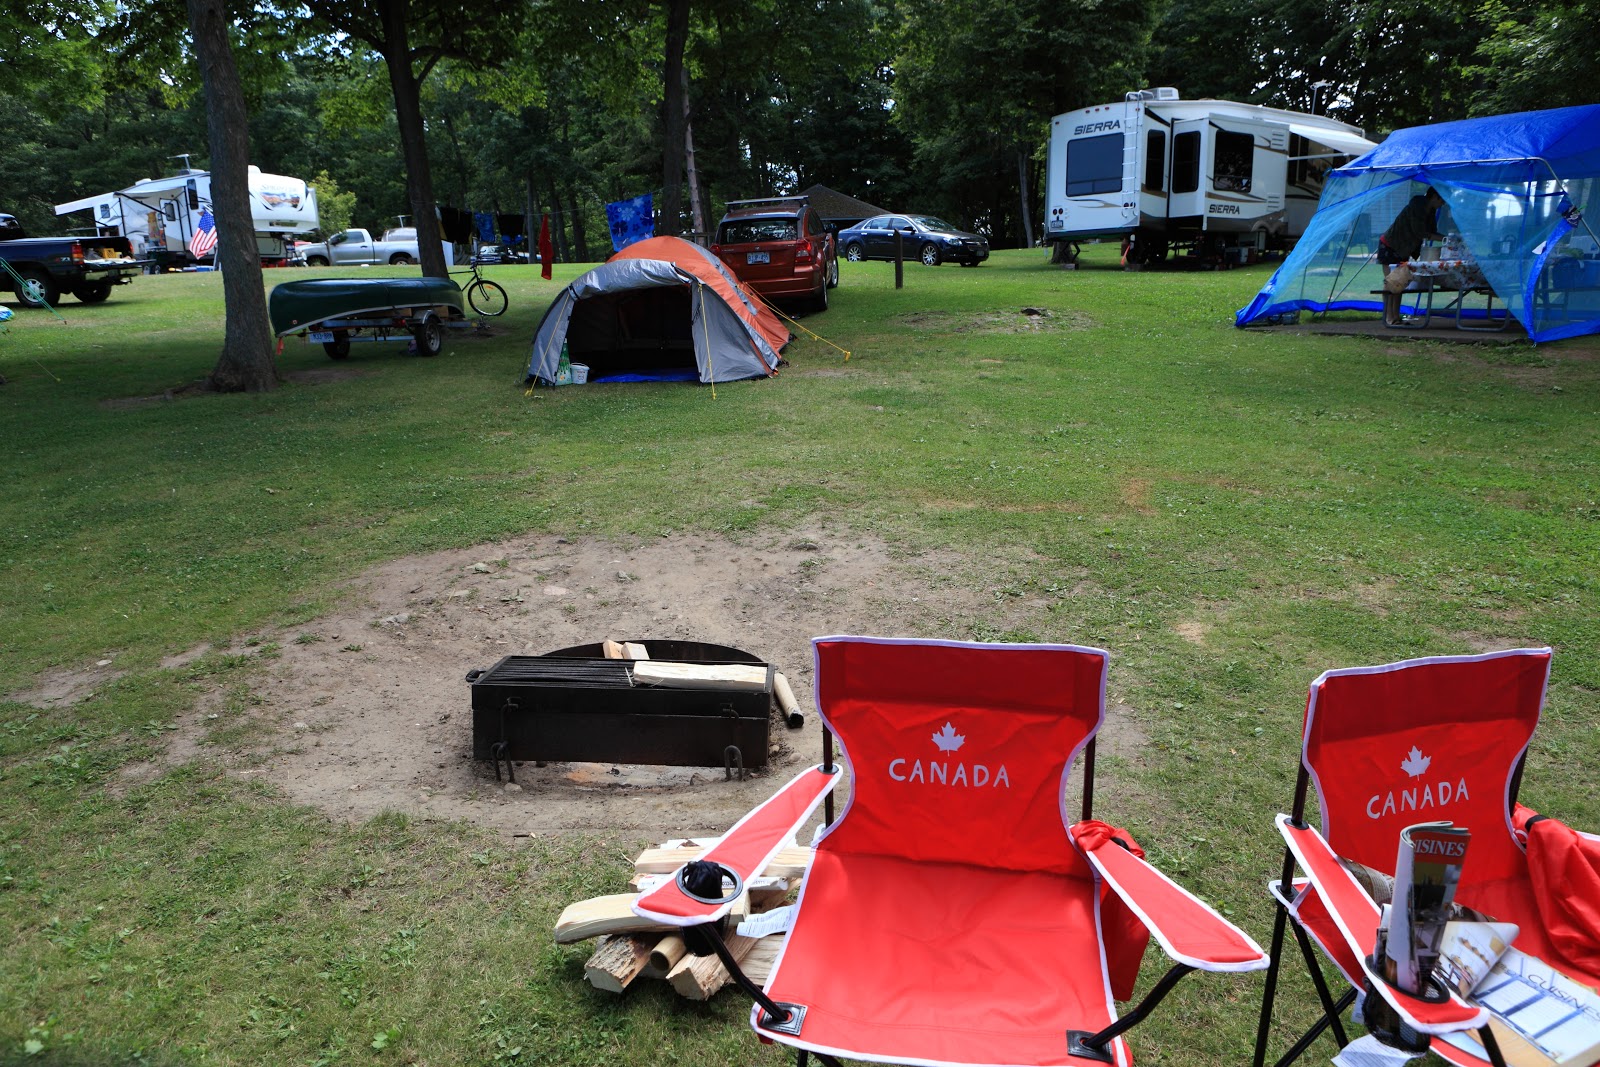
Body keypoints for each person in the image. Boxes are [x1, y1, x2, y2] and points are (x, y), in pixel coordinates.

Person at [1378, 187, 1445, 325]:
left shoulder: (1431, 211)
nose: (1443, 203)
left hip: (1404, 249)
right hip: (1390, 245)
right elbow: (1420, 232)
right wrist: (1445, 239)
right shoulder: (1417, 207)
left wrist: (1442, 238)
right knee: (1391, 282)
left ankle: (1395, 316)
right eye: (1441, 199)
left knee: (1400, 282)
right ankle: (1389, 317)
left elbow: (1431, 231)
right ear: (1434, 197)